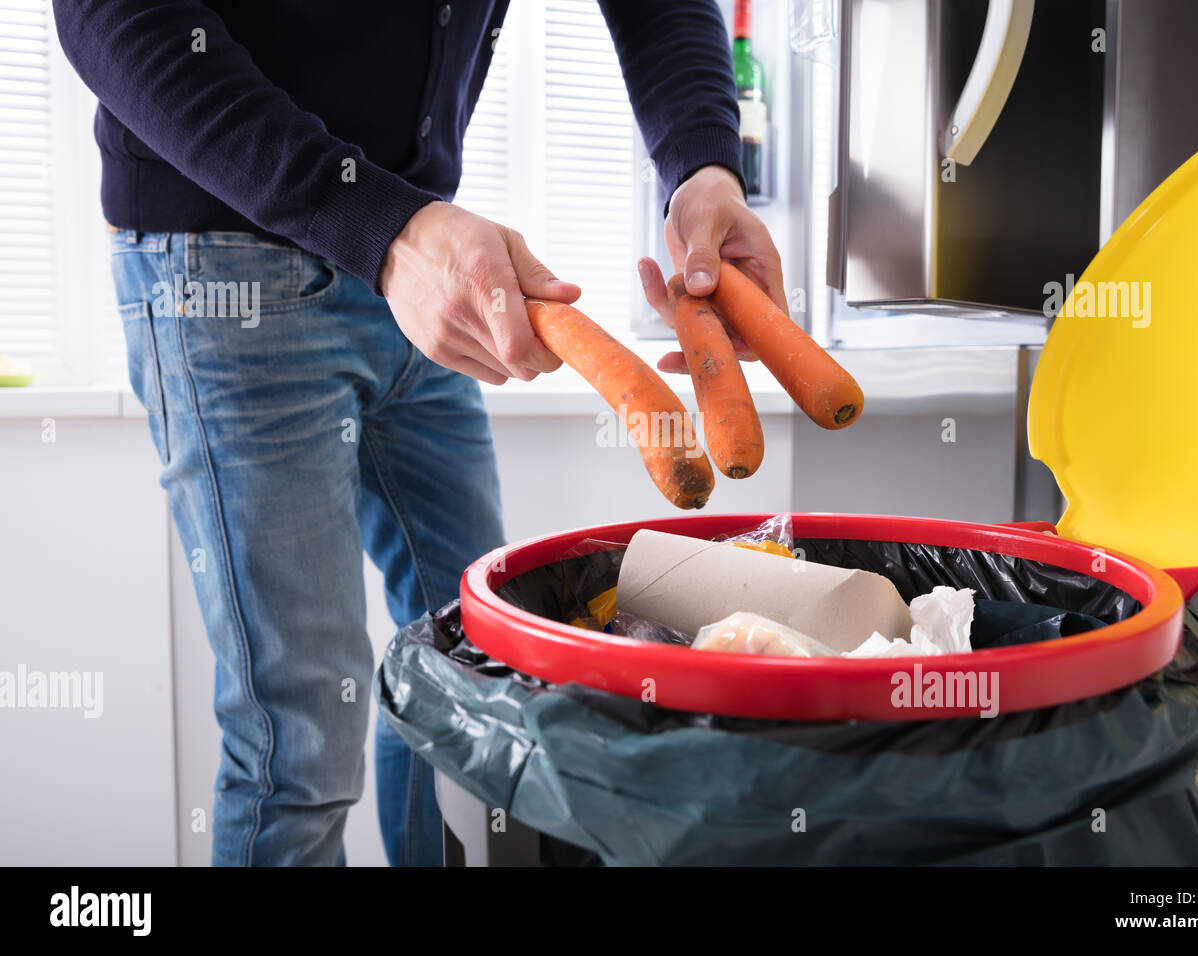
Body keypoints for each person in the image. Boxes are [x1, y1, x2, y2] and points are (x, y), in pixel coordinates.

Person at [52, 0, 785, 866]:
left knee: (465, 678)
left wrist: (706, 165)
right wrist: (383, 228)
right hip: (228, 269)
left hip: (418, 253)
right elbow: (109, 14)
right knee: (300, 742)